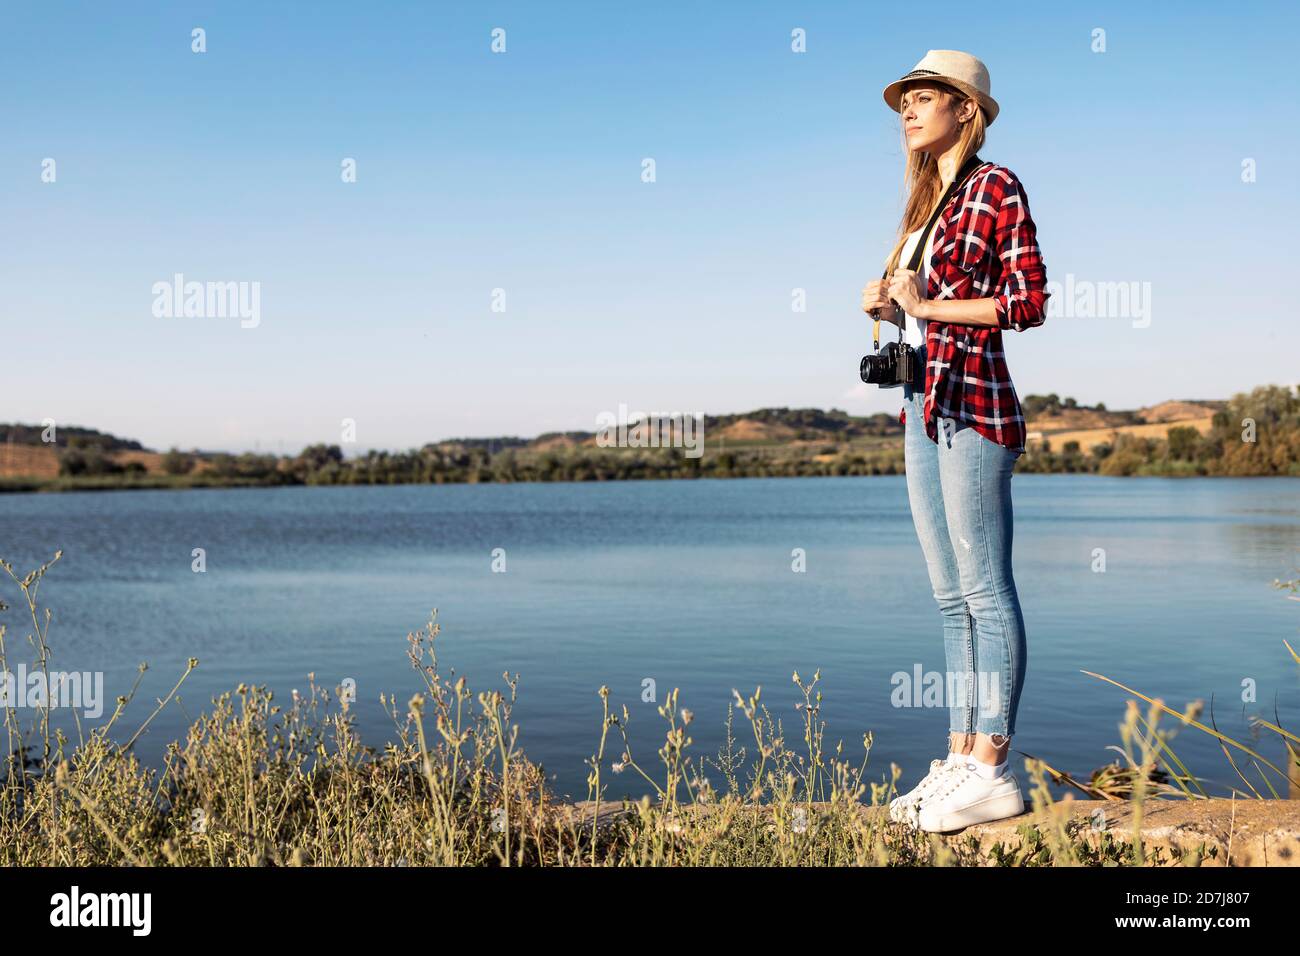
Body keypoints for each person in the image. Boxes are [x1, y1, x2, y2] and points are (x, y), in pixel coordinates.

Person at [860, 50, 1050, 832]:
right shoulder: (922, 203)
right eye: (903, 100)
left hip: (974, 403)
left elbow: (1027, 302)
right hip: (919, 402)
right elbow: (920, 309)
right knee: (948, 598)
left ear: (964, 110)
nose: (907, 111)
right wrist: (886, 303)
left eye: (924, 98)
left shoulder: (995, 186)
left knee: (984, 589)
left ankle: (993, 765)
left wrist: (930, 305)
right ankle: (958, 757)